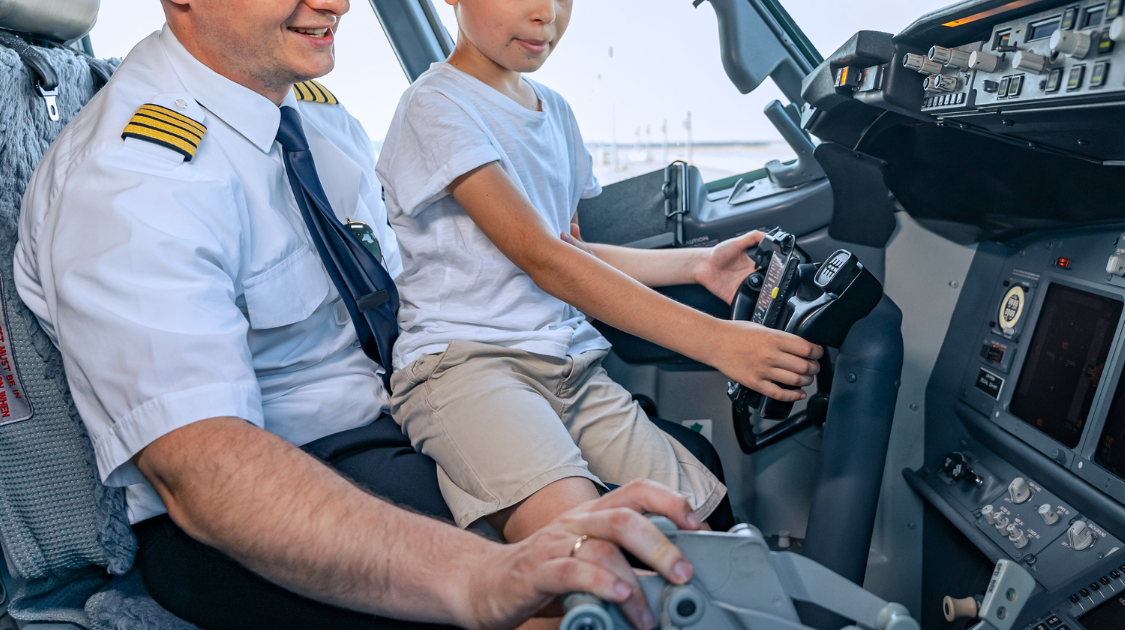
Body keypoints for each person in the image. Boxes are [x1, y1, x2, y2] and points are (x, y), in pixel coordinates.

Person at [15, 1, 712, 629]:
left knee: (686, 495)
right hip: (255, 501)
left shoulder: (314, 113)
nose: (337, 4)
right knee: (599, 591)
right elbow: (202, 471)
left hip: (390, 416)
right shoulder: (131, 180)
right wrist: (482, 576)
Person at [376, 0, 824, 544]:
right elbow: (544, 258)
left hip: (569, 368)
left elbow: (571, 252)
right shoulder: (436, 105)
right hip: (468, 366)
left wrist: (698, 264)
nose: (546, 13)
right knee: (584, 553)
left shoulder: (556, 112)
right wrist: (719, 342)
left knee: (702, 532)